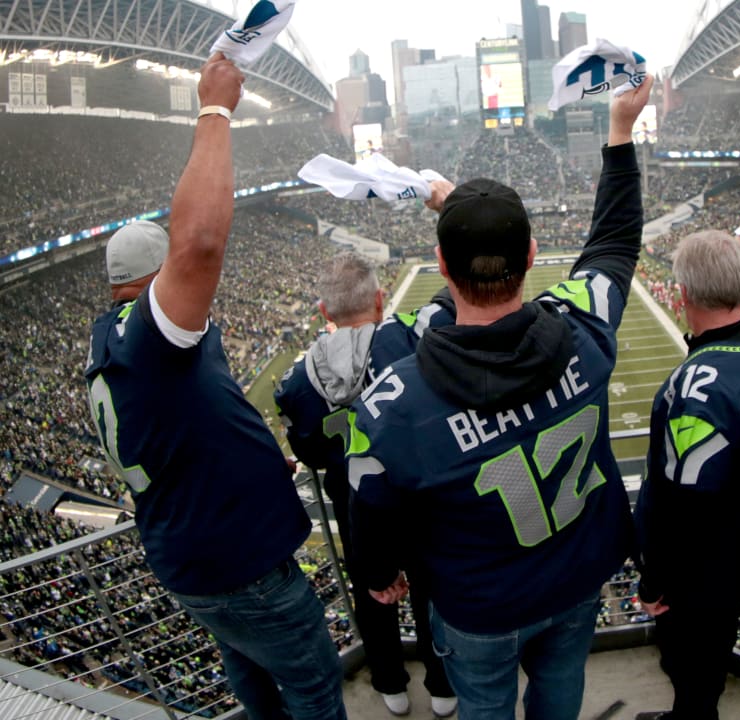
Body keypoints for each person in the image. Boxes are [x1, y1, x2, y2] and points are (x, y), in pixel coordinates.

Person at [346, 76, 652, 720]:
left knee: (484, 707)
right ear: (536, 255)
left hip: (479, 604)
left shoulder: (395, 400)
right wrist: (620, 133)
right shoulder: (583, 329)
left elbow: (370, 512)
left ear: (440, 265)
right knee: (560, 692)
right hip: (575, 579)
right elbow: (616, 243)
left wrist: (378, 574)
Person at [84, 53, 345, 720]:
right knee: (314, 686)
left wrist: (253, 462)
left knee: (251, 675)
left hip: (193, 560)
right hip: (239, 566)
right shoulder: (150, 335)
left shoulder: (106, 340)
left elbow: (185, 422)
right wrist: (216, 109)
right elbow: (198, 243)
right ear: (152, 283)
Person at [274, 252, 456, 717]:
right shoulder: (405, 342)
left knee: (372, 600)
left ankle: (390, 683)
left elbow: (311, 451)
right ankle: (442, 684)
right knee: (431, 593)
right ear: (380, 301)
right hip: (417, 502)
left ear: (323, 311)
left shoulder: (298, 381)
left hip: (354, 508)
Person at [633, 230, 740, 720]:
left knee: (692, 669)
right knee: (712, 655)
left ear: (682, 296)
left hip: (702, 569)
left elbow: (681, 509)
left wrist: (653, 581)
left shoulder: (694, 390)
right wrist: (737, 261)